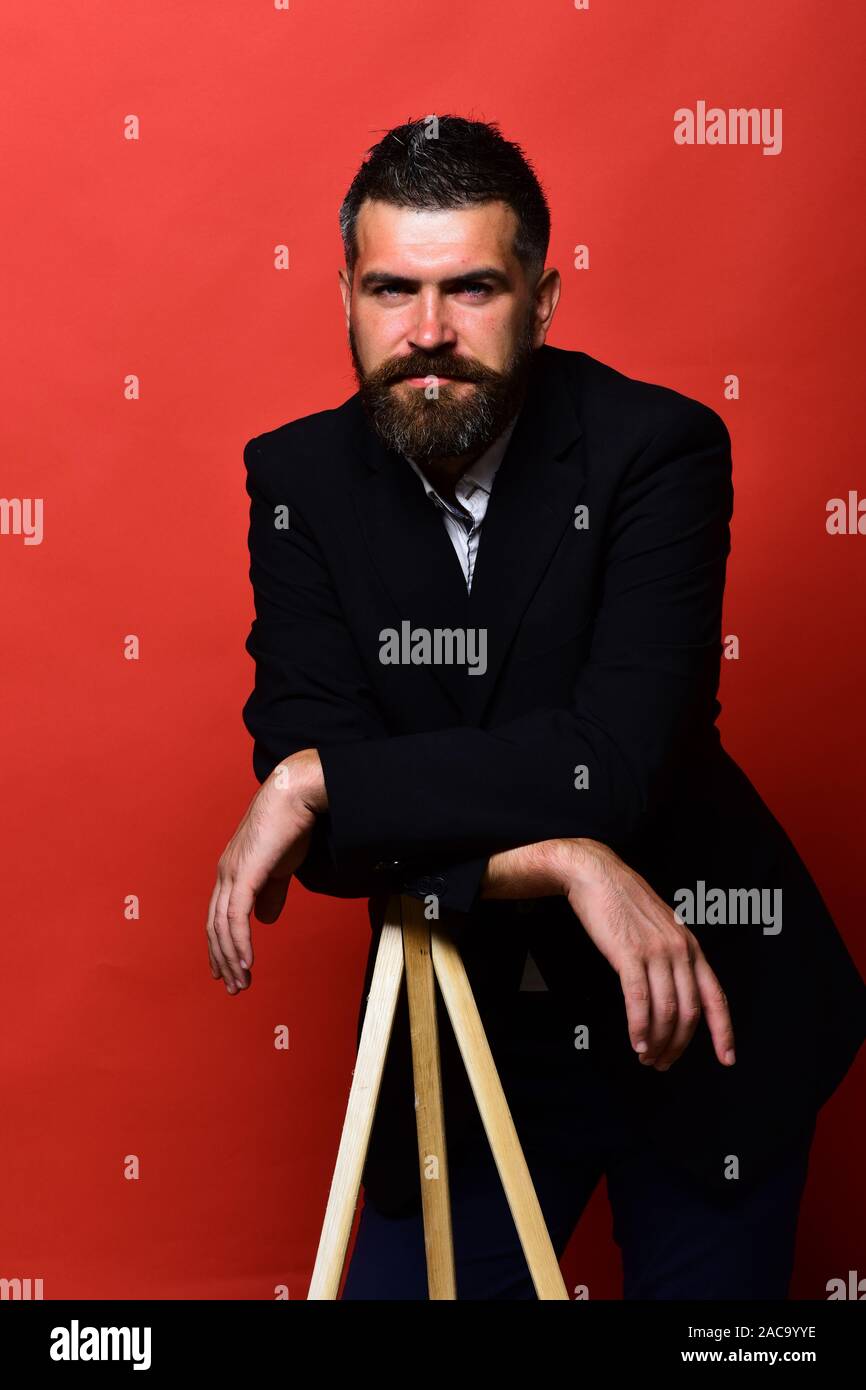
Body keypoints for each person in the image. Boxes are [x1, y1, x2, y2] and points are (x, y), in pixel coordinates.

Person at [205, 116, 866, 1299]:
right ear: (345, 296)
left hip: (702, 1003)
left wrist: (317, 782)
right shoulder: (293, 479)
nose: (426, 333)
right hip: (463, 1026)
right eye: (391, 289)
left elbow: (612, 761)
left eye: (470, 288)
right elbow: (332, 851)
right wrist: (563, 859)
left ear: (543, 298)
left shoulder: (656, 449)